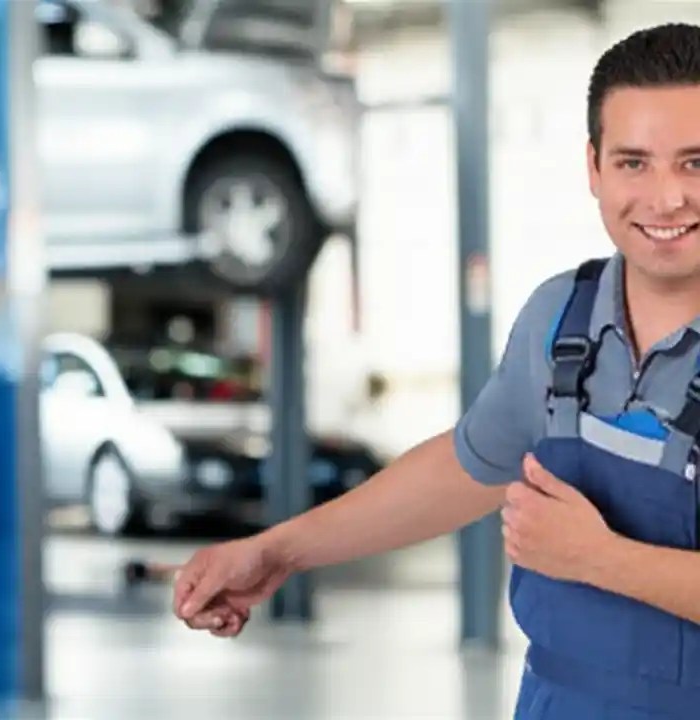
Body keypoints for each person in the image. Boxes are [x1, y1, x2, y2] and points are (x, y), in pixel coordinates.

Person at [172, 22, 700, 720]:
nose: (666, 198)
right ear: (593, 168)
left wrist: (599, 559)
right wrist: (278, 551)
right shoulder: (559, 319)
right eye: (634, 162)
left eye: (694, 163)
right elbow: (466, 468)